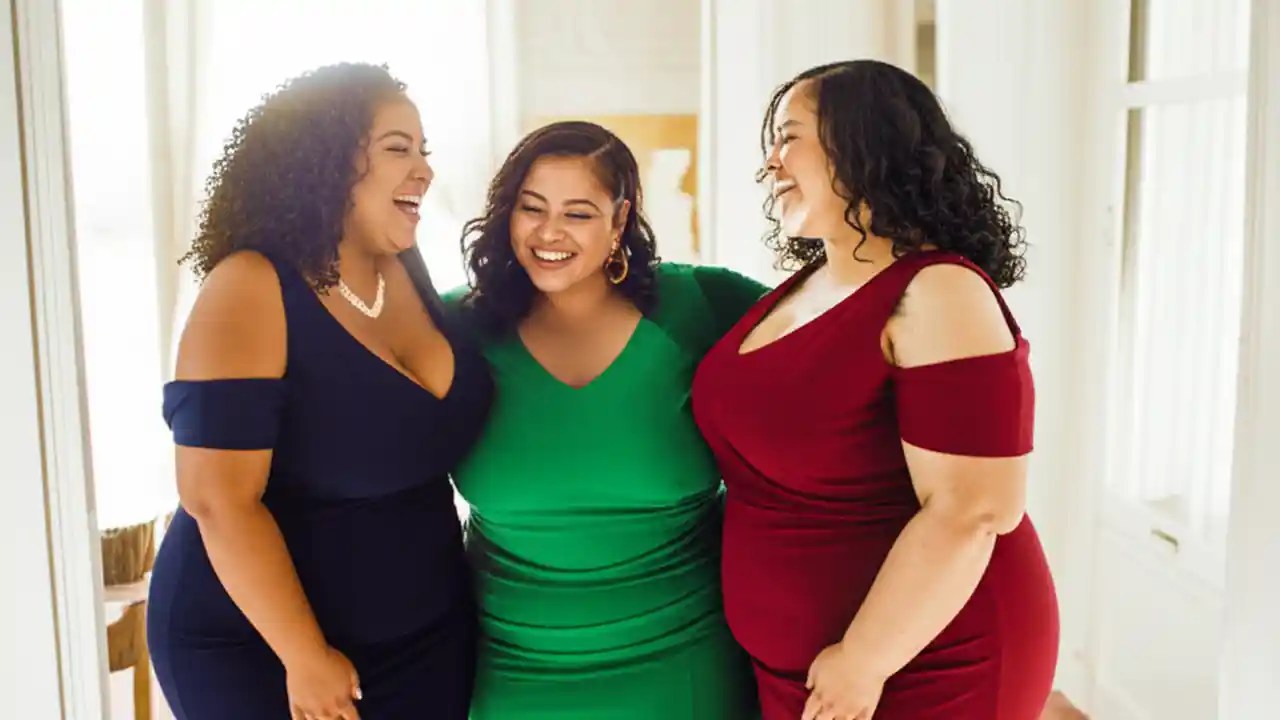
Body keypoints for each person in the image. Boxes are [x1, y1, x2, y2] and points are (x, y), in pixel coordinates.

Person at [691, 59, 1060, 719]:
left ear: (861, 143)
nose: (770, 163)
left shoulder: (940, 290)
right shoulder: (811, 285)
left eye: (789, 137)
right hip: (813, 673)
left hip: (927, 660)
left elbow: (974, 508)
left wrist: (864, 660)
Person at [147, 63, 491, 720]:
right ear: (325, 160)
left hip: (426, 638)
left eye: (424, 151)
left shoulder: (405, 268)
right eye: (398, 148)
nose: (424, 170)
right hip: (263, 650)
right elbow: (218, 500)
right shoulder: (250, 285)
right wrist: (304, 656)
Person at [449, 120, 764, 718]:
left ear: (619, 221)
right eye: (531, 208)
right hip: (513, 671)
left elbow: (839, 335)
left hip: (687, 663)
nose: (549, 232)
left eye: (578, 213)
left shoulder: (703, 305)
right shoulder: (456, 327)